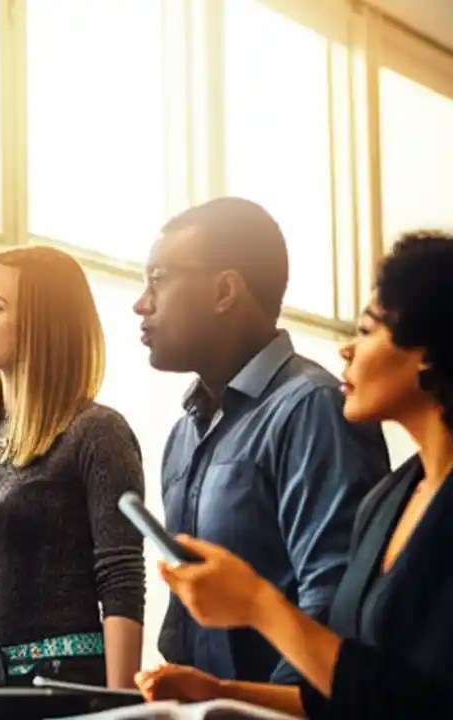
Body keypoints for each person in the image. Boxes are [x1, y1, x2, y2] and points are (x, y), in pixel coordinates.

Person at [136, 230, 453, 718]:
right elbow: (348, 690)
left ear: (428, 350)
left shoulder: (309, 406)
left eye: (367, 330)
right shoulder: (389, 500)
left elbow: (415, 701)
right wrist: (219, 693)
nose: (346, 351)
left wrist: (259, 606)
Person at [131, 197, 391, 684]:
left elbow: (333, 598)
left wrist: (260, 706)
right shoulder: (185, 433)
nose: (141, 303)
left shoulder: (313, 407)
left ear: (225, 290)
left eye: (158, 279)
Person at [0, 246, 147, 720]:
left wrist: (122, 711)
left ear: (43, 325)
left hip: (64, 690)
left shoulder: (96, 433)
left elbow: (121, 577)